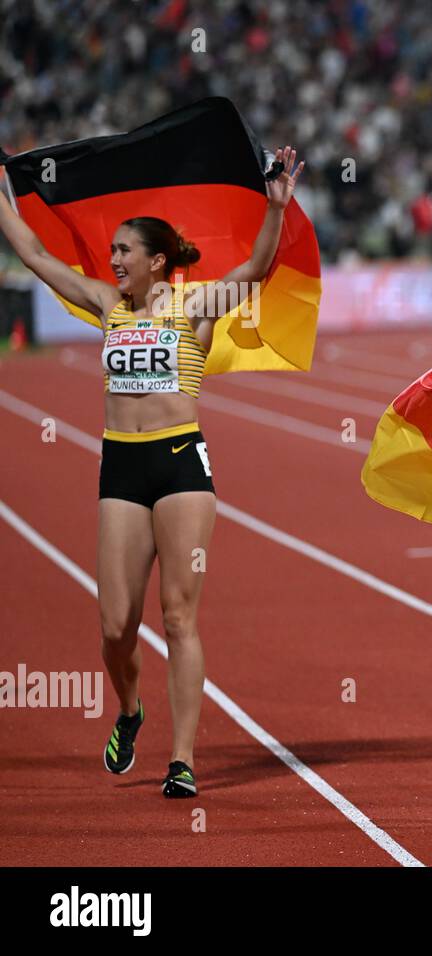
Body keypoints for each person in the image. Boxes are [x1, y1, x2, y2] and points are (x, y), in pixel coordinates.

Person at [0, 148, 304, 798]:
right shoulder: (107, 304)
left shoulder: (192, 307)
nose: (113, 260)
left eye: (124, 251)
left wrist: (274, 209)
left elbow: (256, 268)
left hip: (180, 466)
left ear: (157, 261)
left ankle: (183, 759)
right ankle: (131, 708)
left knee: (178, 617)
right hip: (121, 466)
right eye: (112, 251)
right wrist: (1, 190)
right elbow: (32, 254)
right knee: (115, 627)